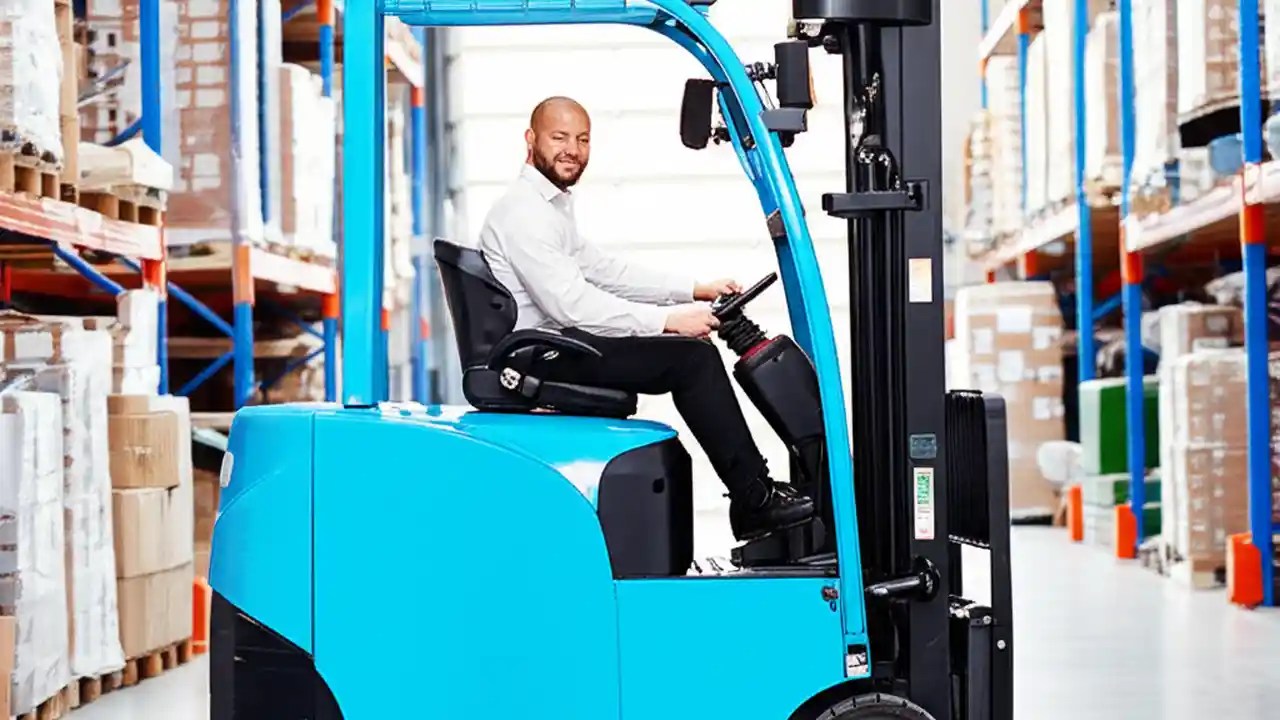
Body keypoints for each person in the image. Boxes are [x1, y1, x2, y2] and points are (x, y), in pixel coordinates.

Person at [476, 95, 814, 542]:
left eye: (582, 139)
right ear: (530, 139)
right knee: (693, 361)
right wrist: (669, 321)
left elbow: (604, 272)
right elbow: (571, 305)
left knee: (691, 353)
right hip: (543, 355)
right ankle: (755, 501)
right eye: (559, 138)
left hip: (555, 344)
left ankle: (755, 494)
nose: (572, 150)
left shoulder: (547, 207)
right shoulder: (524, 214)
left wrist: (694, 289)